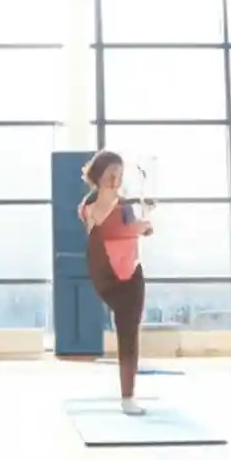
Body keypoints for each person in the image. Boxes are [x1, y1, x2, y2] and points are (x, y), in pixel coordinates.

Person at [79, 151, 153, 416]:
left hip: (131, 272)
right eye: (111, 174)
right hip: (106, 273)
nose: (116, 179)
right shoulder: (88, 206)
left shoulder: (126, 206)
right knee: (125, 324)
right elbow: (104, 231)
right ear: (98, 176)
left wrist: (144, 226)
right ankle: (127, 395)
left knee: (129, 332)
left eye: (120, 175)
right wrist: (135, 229)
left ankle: (128, 396)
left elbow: (132, 228)